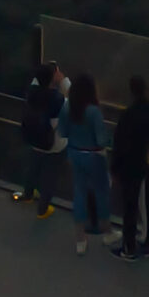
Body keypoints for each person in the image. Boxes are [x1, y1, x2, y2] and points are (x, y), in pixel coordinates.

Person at [59, 73, 114, 254]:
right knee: (101, 193)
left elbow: (63, 133)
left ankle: (80, 239)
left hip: (74, 153)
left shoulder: (67, 108)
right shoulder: (93, 111)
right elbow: (101, 140)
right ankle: (107, 231)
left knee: (80, 193)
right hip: (94, 156)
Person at [111, 75, 149, 259]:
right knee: (148, 204)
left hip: (131, 167)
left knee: (130, 208)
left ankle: (129, 247)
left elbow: (119, 144)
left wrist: (115, 168)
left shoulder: (127, 115)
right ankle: (147, 240)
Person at [13, 63, 65, 219]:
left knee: (33, 167)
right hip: (53, 144)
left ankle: (27, 194)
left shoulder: (32, 91)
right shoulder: (57, 98)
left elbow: (38, 79)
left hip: (34, 138)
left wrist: (46, 72)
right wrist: (63, 81)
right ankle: (43, 209)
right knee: (50, 176)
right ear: (52, 78)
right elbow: (56, 125)